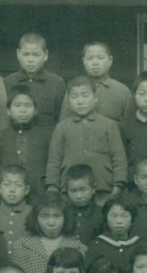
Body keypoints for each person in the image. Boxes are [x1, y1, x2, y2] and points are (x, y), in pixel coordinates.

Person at [45, 76, 127, 204]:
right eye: (74, 97)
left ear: (95, 98)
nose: (80, 101)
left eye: (85, 95)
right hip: (70, 193)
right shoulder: (62, 127)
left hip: (103, 190)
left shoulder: (109, 125)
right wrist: (52, 188)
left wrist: (118, 186)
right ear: (68, 100)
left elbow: (118, 157)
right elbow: (54, 160)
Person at [10, 194, 87, 273]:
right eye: (44, 216)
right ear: (35, 218)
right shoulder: (22, 246)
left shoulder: (79, 247)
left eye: (57, 216)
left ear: (66, 218)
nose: (51, 222)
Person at [0, 88, 51, 200]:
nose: (23, 110)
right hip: (5, 198)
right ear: (8, 111)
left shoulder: (45, 137)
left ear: (35, 110)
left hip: (37, 196)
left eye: (28, 106)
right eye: (17, 106)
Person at [2, 32, 66, 129]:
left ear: (45, 55)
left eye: (36, 55)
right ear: (18, 54)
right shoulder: (7, 82)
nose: (30, 59)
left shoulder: (57, 83)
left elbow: (61, 119)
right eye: (26, 54)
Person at [74, 41, 132, 123]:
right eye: (90, 58)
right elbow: (64, 125)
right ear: (84, 61)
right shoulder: (74, 89)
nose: (95, 63)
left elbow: (130, 127)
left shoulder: (122, 91)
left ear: (110, 60)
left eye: (100, 58)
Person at [85, 197, 141, 271]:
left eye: (125, 216)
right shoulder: (97, 245)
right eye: (114, 216)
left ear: (132, 219)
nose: (119, 221)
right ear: (106, 218)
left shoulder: (140, 244)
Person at [0, 164, 33, 252]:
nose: (12, 190)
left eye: (18, 185)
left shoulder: (33, 213)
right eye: (7, 184)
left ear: (26, 190)